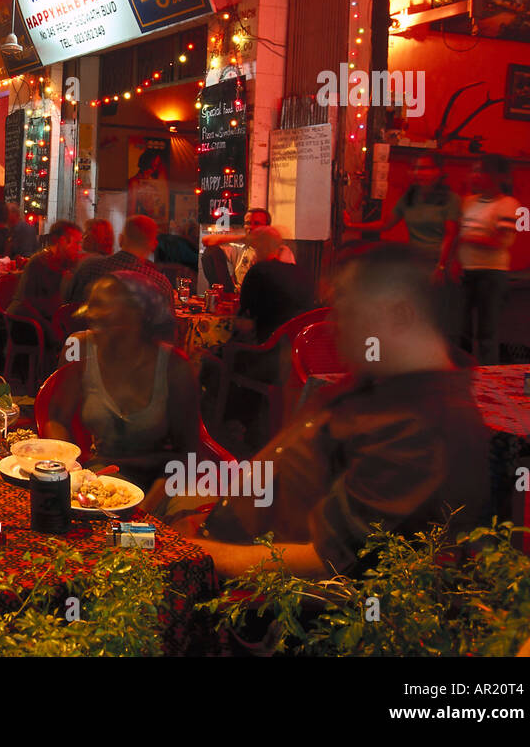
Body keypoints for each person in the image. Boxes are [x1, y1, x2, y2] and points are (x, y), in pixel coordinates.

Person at [176, 244, 492, 578]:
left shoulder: (420, 428)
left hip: (258, 598)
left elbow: (326, 565)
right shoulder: (381, 381)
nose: (333, 319)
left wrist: (197, 555)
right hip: (229, 533)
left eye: (345, 302)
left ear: (401, 315)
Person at [43, 272, 200, 492]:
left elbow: (188, 453)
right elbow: (56, 419)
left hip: (165, 481)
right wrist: (66, 467)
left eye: (105, 318)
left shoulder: (174, 367)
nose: (93, 321)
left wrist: (153, 502)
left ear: (136, 317)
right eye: (92, 315)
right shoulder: (82, 351)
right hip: (107, 475)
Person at [344, 153, 460, 277]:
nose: (419, 173)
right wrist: (350, 225)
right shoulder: (410, 197)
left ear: (438, 171)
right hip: (415, 259)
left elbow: (451, 235)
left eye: (424, 169)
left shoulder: (450, 199)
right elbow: (385, 224)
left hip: (437, 262)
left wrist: (441, 266)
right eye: (416, 169)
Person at [452, 154, 519, 364]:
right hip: (465, 271)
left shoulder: (508, 204)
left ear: (497, 176)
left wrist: (466, 237)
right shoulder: (468, 202)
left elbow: (501, 241)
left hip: (491, 273)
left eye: (481, 171)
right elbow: (453, 233)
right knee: (460, 332)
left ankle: (489, 380)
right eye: (473, 171)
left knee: (487, 334)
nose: (475, 176)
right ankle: (462, 377)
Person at [68, 215, 175, 324]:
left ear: (120, 239)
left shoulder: (88, 267)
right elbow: (168, 330)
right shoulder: (160, 284)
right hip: (134, 341)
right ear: (153, 245)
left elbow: (69, 309)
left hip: (88, 338)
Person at [235, 226, 316, 344]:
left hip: (267, 347)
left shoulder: (258, 271)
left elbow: (246, 311)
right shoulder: (302, 272)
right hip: (300, 345)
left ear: (260, 248)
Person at [10, 220, 82, 330]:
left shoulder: (66, 264)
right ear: (61, 241)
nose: (79, 249)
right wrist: (50, 329)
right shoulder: (38, 263)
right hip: (27, 325)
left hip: (48, 321)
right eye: (76, 244)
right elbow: (25, 305)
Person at [202, 208, 295, 291]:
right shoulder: (241, 248)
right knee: (210, 252)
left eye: (257, 223)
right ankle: (222, 296)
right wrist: (242, 238)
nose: (251, 227)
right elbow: (206, 241)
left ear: (267, 227)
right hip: (239, 294)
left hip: (265, 296)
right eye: (248, 223)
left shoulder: (280, 251)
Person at [61, 218, 115, 305]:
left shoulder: (88, 262)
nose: (82, 236)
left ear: (97, 236)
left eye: (86, 231)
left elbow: (67, 295)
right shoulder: (110, 262)